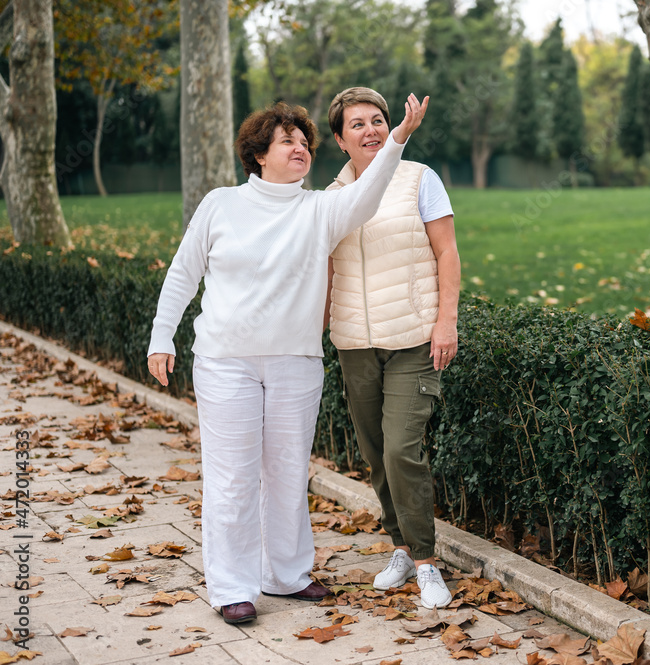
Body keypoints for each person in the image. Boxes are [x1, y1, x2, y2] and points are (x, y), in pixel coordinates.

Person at [146, 95, 429, 625]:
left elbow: (368, 193)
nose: (300, 148)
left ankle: (286, 574)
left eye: (305, 143)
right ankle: (232, 587)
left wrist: (398, 138)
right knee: (232, 478)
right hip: (225, 362)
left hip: (295, 363)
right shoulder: (220, 204)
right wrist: (162, 336)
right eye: (287, 141)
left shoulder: (319, 209)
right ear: (258, 154)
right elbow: (184, 272)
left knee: (287, 474)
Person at [324, 87, 459, 610]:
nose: (371, 130)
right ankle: (400, 547)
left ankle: (426, 562)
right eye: (356, 124)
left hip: (412, 340)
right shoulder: (332, 196)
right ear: (340, 140)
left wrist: (445, 323)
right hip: (355, 343)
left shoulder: (420, 179)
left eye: (377, 120)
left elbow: (447, 252)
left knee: (402, 449)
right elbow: (326, 270)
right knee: (376, 454)